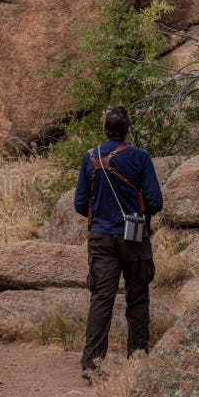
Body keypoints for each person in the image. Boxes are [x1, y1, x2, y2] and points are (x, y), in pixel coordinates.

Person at [73, 107, 163, 381]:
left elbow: (79, 204)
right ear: (128, 130)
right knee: (137, 295)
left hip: (100, 235)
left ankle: (92, 363)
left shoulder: (90, 157)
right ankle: (137, 356)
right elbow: (156, 202)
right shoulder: (140, 157)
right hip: (133, 235)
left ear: (105, 130)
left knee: (102, 298)